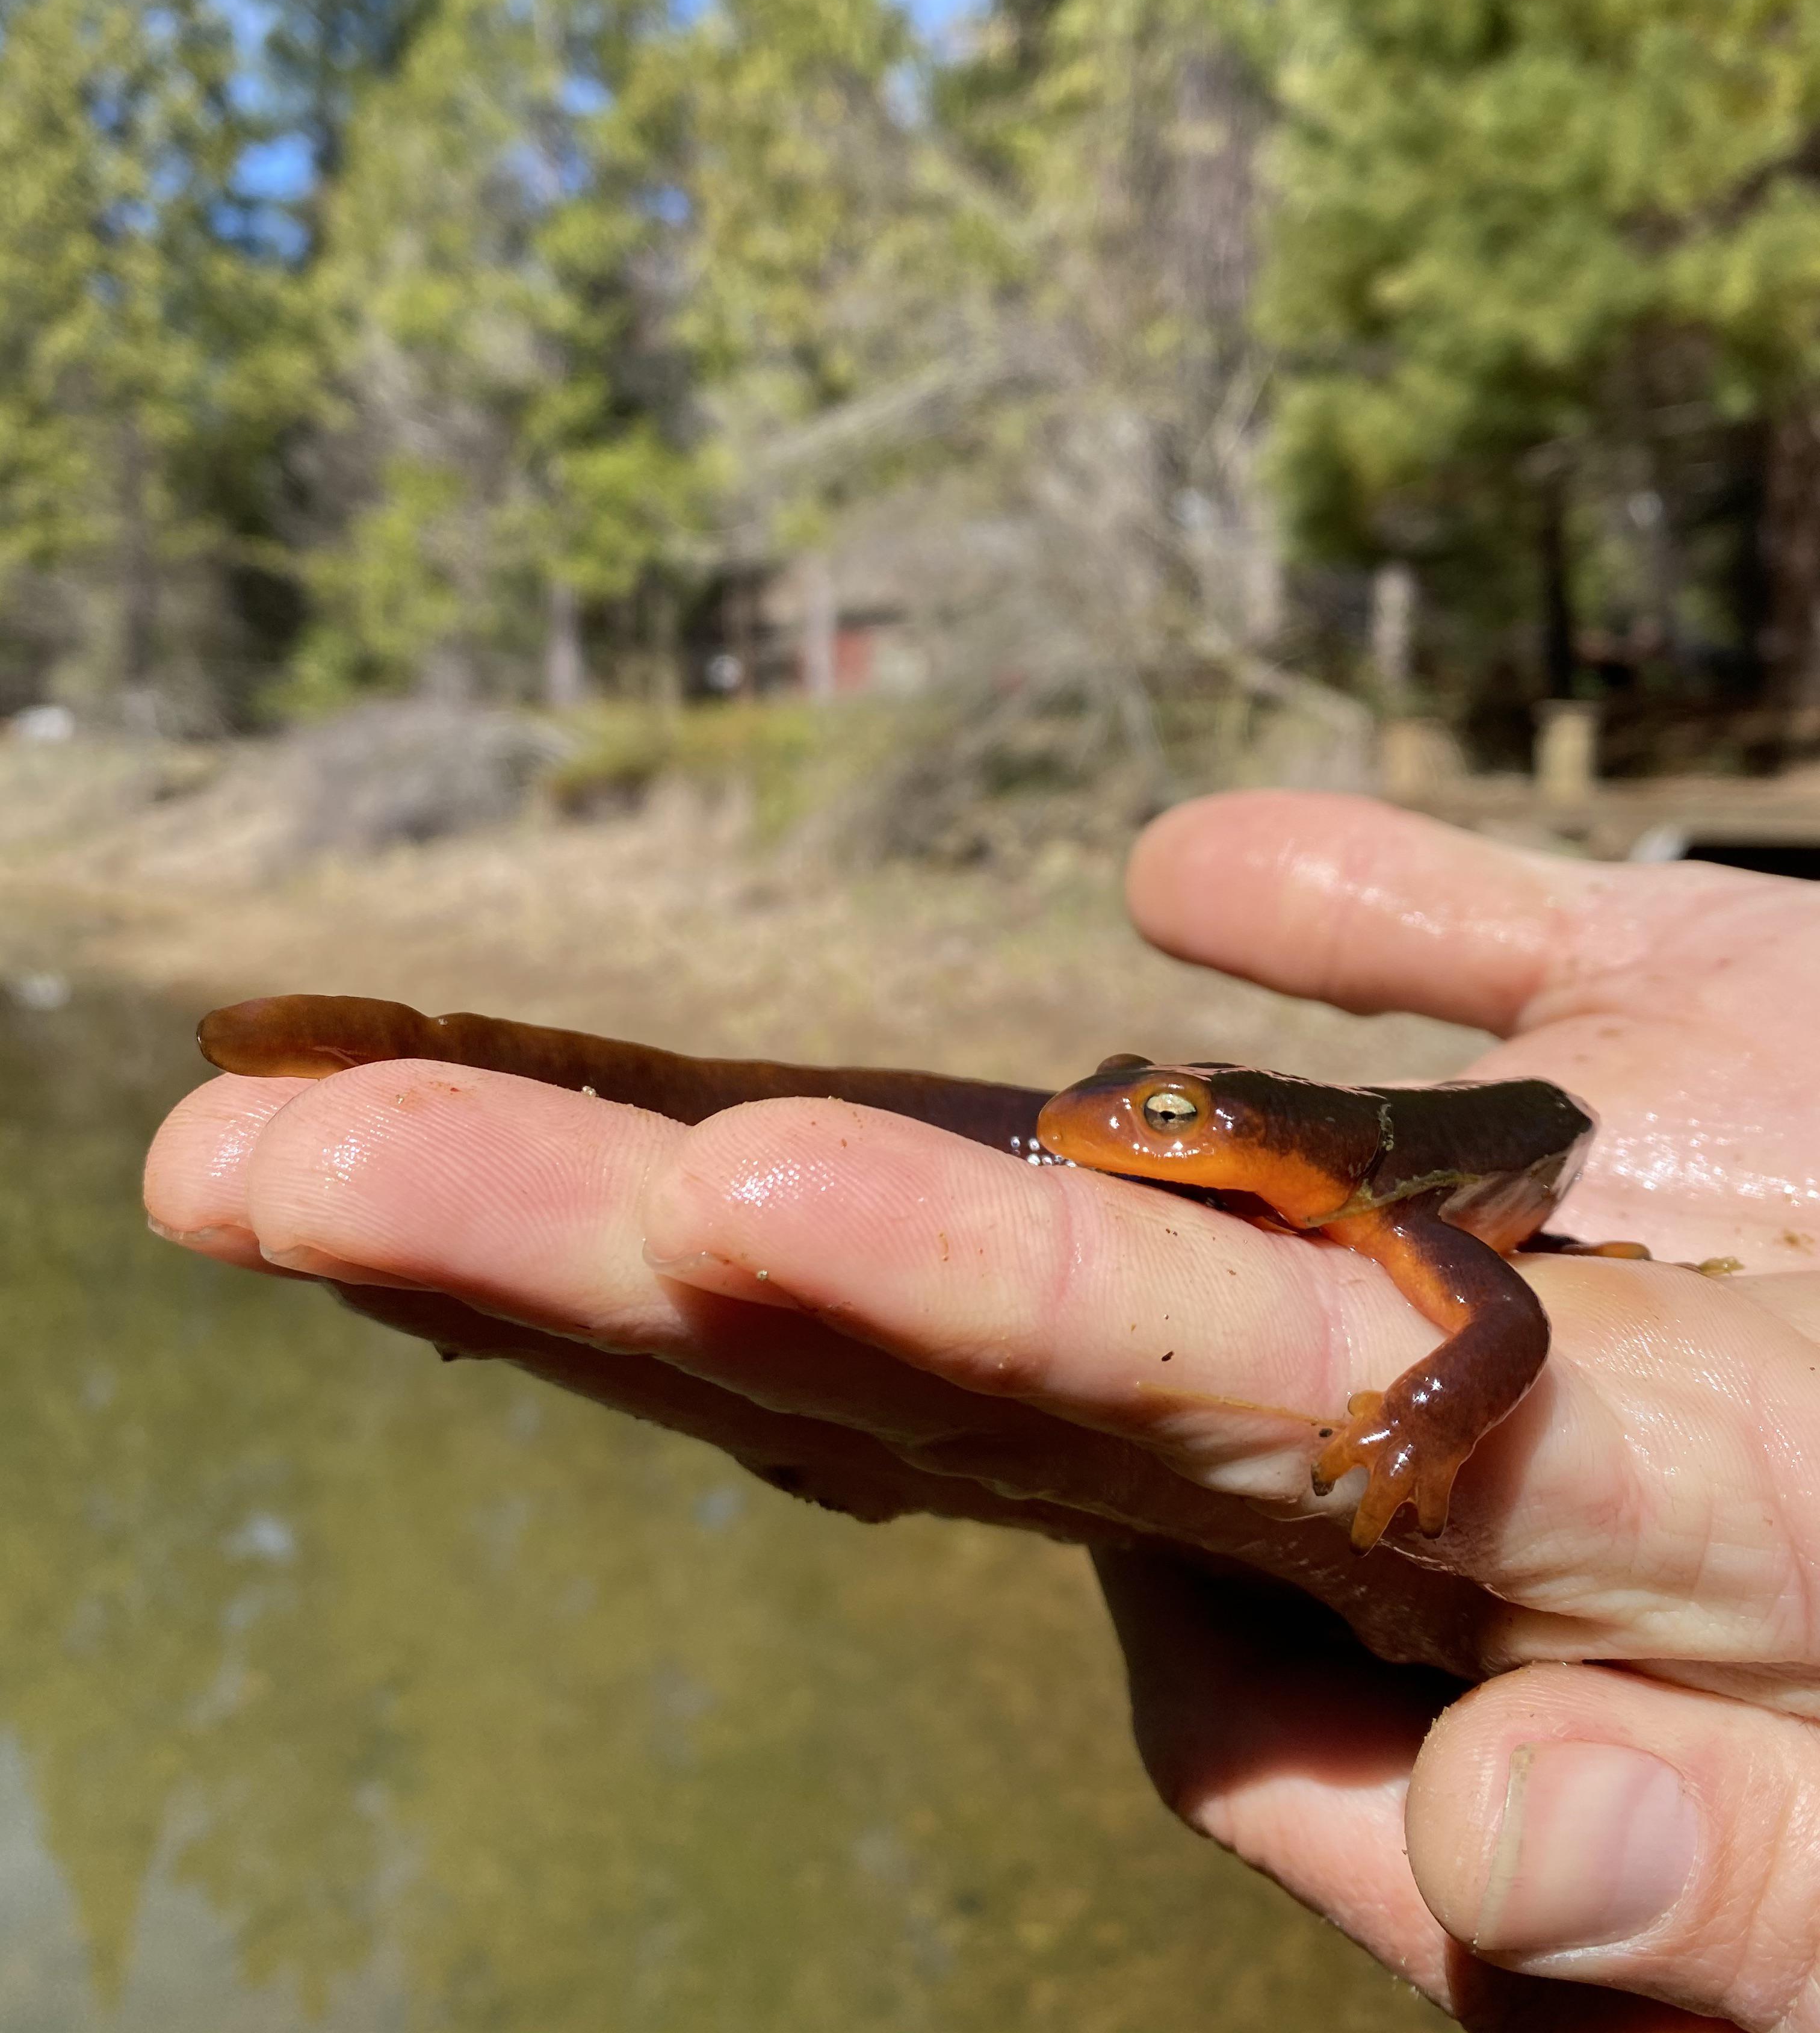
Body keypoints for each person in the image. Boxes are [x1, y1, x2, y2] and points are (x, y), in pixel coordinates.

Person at [144, 790, 1820, 2032]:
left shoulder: (1400, 1206)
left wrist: (1420, 1427)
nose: (1119, 1132)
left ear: (1305, 1162)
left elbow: (1506, 1323)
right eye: (1132, 1105)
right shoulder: (1289, 1160)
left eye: (1163, 1121)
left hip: (1529, 1146)